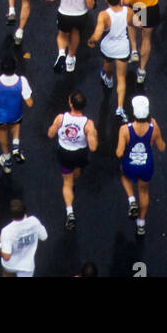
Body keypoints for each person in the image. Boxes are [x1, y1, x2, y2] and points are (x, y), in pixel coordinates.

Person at [48, 90, 98, 230]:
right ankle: (73, 183)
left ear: (70, 104)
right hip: (80, 154)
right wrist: (94, 135)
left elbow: (50, 134)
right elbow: (93, 147)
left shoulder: (60, 118)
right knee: (76, 173)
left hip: (64, 153)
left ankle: (70, 212)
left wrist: (55, 129)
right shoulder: (88, 124)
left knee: (67, 182)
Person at [117, 95, 165, 234]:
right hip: (146, 166)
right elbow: (162, 147)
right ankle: (141, 223)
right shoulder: (154, 128)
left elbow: (119, 152)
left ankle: (132, 199)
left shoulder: (125, 129)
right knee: (143, 191)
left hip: (130, 165)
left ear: (133, 112)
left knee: (124, 175)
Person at [45, 0, 95, 73]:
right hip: (80, 15)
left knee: (62, 35)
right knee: (75, 33)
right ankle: (70, 58)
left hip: (64, 14)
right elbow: (90, 5)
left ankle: (62, 53)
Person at [122, 0, 165, 87]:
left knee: (131, 25)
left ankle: (134, 50)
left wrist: (122, 0)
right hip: (152, 8)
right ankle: (141, 70)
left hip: (138, 6)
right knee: (147, 38)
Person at [0, 57, 33, 173]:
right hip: (16, 113)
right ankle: (15, 145)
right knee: (16, 124)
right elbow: (30, 103)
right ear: (15, 68)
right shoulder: (22, 81)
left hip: (0, 116)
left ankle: (7, 160)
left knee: (3, 131)